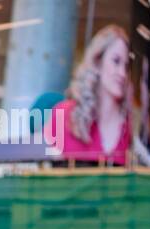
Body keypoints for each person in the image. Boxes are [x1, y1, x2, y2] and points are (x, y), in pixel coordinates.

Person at [50, 24, 132, 165]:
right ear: (98, 62)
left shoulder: (128, 126)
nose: (122, 73)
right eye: (116, 61)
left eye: (126, 65)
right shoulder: (63, 115)